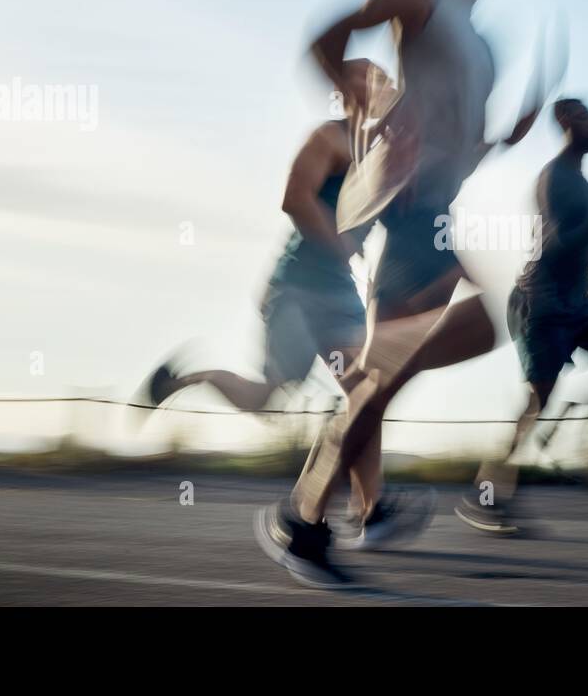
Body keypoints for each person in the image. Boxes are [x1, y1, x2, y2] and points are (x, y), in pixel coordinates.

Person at [260, 0, 547, 587]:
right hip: (413, 215)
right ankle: (307, 518)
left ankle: (309, 514)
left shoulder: (484, 49)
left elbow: (458, 148)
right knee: (453, 340)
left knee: (393, 374)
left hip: (441, 210)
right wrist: (362, 102)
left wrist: (502, 138)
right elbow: (325, 40)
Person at [147, 59, 424, 542]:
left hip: (339, 293)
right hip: (295, 287)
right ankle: (189, 378)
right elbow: (295, 199)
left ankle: (371, 509)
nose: (375, 83)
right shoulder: (329, 139)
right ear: (342, 92)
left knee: (365, 391)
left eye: (380, 77)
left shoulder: (384, 157)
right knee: (268, 398)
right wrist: (340, 246)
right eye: (362, 77)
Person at [456, 98, 588, 535]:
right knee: (535, 404)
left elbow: (574, 252)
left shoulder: (580, 180)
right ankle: (487, 498)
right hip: (539, 304)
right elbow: (557, 244)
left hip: (574, 302)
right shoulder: (554, 178)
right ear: (563, 121)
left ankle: (581, 416)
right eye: (584, 118)